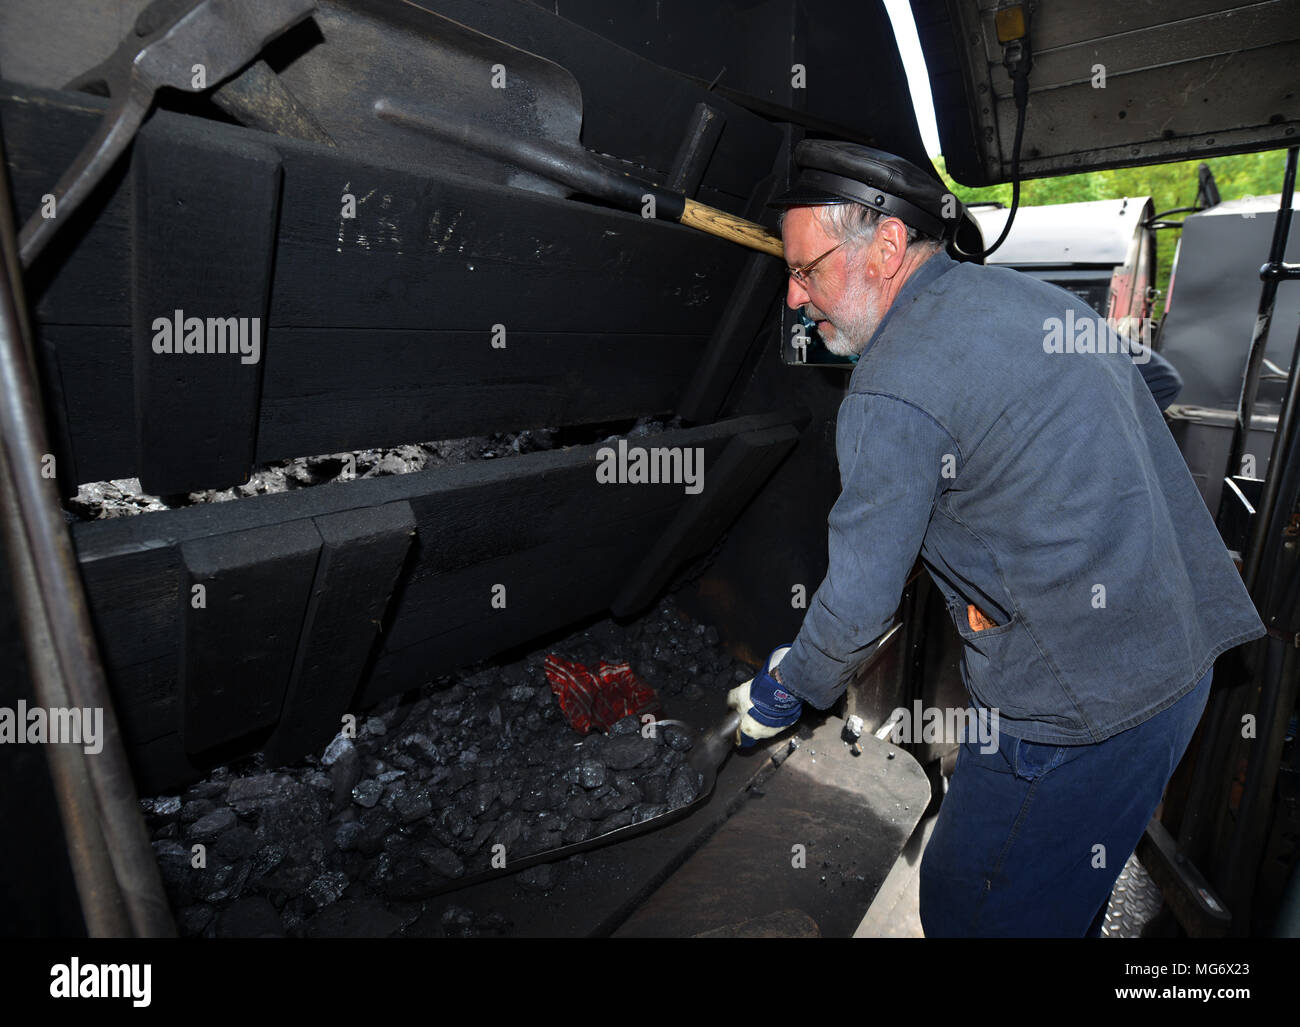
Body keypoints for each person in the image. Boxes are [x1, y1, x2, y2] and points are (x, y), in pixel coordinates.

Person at [726, 140, 1265, 937]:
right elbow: (1154, 391)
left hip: (1078, 714)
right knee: (1056, 894)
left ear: (885, 247)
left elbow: (855, 605)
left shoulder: (890, 389)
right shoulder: (1030, 300)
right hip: (1180, 667)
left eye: (806, 270)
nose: (797, 298)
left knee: (972, 904)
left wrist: (785, 689)